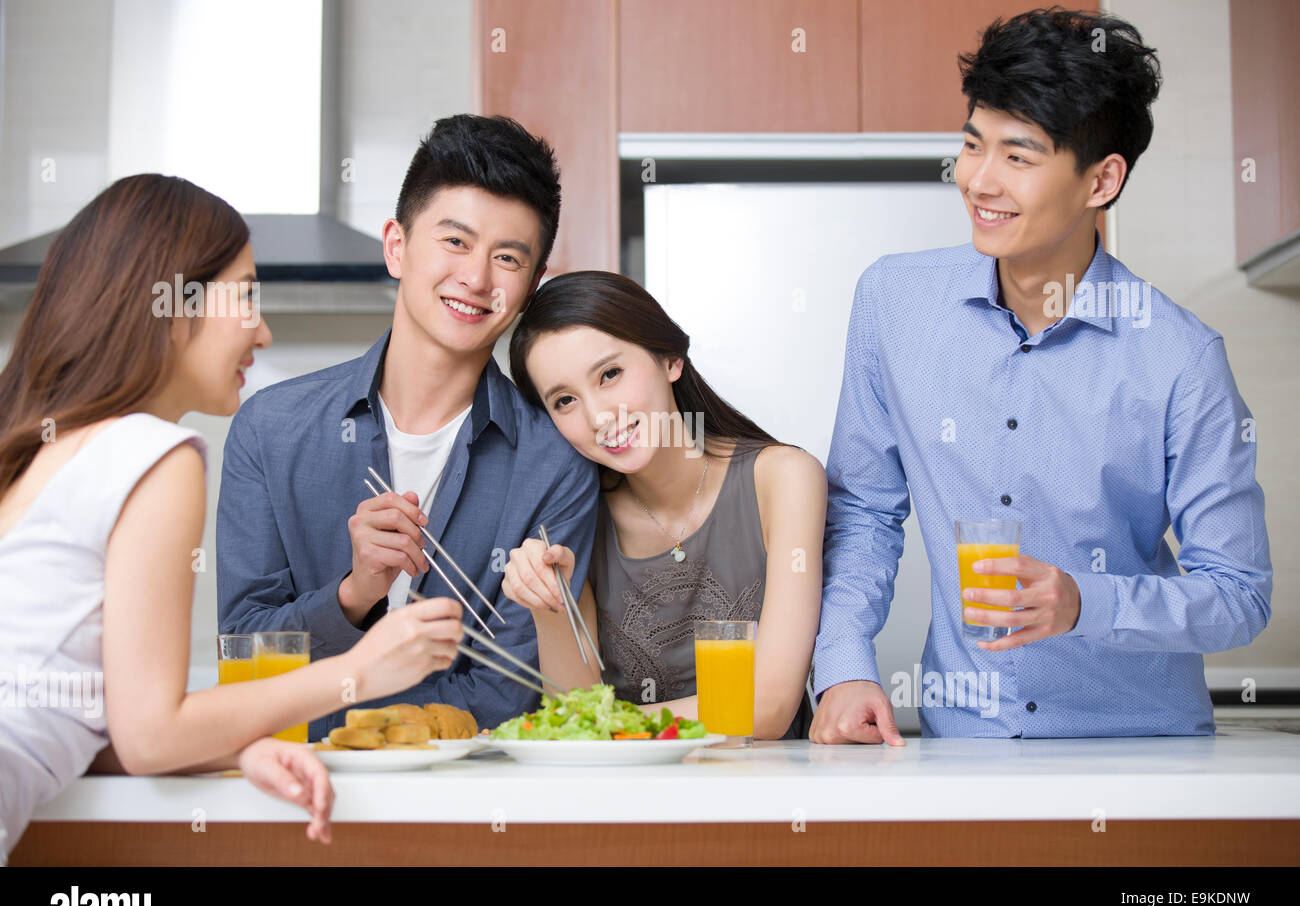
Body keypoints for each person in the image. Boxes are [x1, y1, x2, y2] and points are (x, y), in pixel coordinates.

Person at [811, 8, 1272, 743]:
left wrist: (1087, 601)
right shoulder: (893, 304)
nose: (979, 181)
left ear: (1102, 180)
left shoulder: (1181, 360)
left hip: (1140, 751)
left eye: (1018, 158)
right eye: (972, 145)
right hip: (965, 741)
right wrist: (843, 665)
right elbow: (865, 511)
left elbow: (1239, 594)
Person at [0, 174, 464, 863]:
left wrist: (227, 748)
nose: (264, 328)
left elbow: (72, 722)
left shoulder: (43, 449)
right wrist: (362, 671)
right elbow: (150, 732)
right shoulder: (155, 454)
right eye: (245, 294)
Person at [216, 115, 599, 739]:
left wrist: (356, 721)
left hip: (468, 803)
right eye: (455, 241)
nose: (476, 279)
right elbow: (245, 655)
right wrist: (352, 593)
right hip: (290, 783)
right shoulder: (270, 429)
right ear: (397, 246)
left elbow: (510, 690)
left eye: (507, 258)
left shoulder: (555, 464)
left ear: (528, 289)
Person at [502, 271, 825, 739]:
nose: (598, 417)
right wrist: (549, 605)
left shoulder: (783, 478)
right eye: (565, 400)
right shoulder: (578, 515)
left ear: (669, 359)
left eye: (610, 374)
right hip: (633, 803)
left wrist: (607, 726)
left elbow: (769, 706)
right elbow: (572, 711)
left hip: (770, 796)